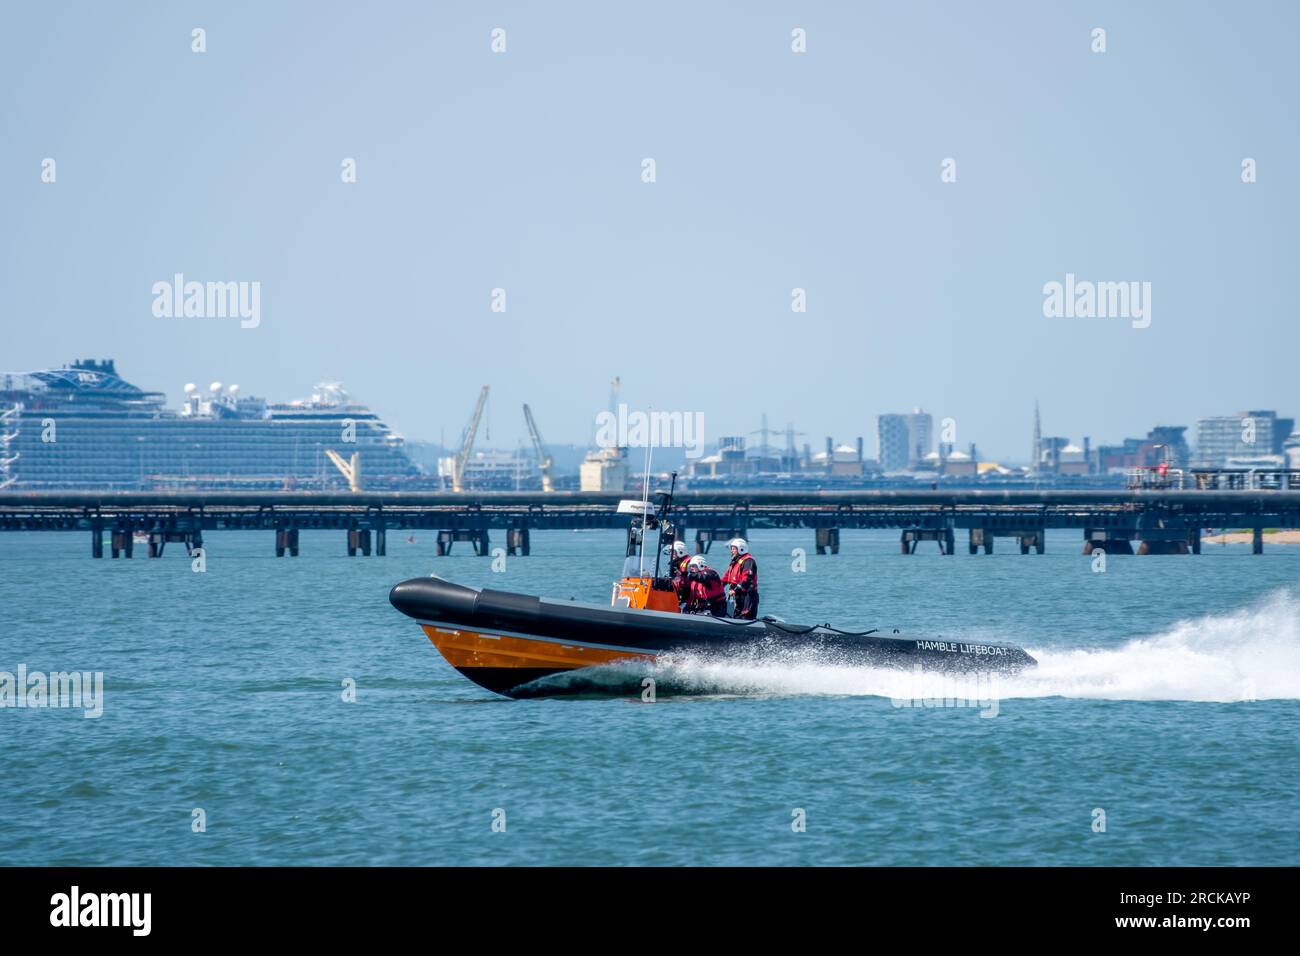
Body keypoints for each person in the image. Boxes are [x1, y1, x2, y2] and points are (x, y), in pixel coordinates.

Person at [722, 537, 759, 620]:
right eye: (731, 549)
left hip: (748, 596)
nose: (731, 551)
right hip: (738, 596)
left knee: (745, 617)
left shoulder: (748, 561)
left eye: (734, 549)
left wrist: (735, 590)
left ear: (741, 549)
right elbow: (726, 578)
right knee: (736, 616)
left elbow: (747, 579)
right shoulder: (734, 562)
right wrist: (718, 587)